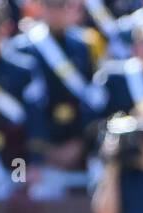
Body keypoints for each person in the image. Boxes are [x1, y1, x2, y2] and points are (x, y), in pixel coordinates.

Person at [9, 0, 104, 171]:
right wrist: (43, 149)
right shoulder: (23, 47)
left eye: (62, 5)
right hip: (35, 153)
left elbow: (93, 97)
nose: (57, 11)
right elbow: (23, 105)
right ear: (41, 7)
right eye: (51, 5)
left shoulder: (85, 45)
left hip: (78, 147)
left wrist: (80, 142)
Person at [0, 1, 46, 180]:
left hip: (16, 157)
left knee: (20, 202)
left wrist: (34, 162)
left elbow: (35, 117)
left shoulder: (24, 68)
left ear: (6, 28)